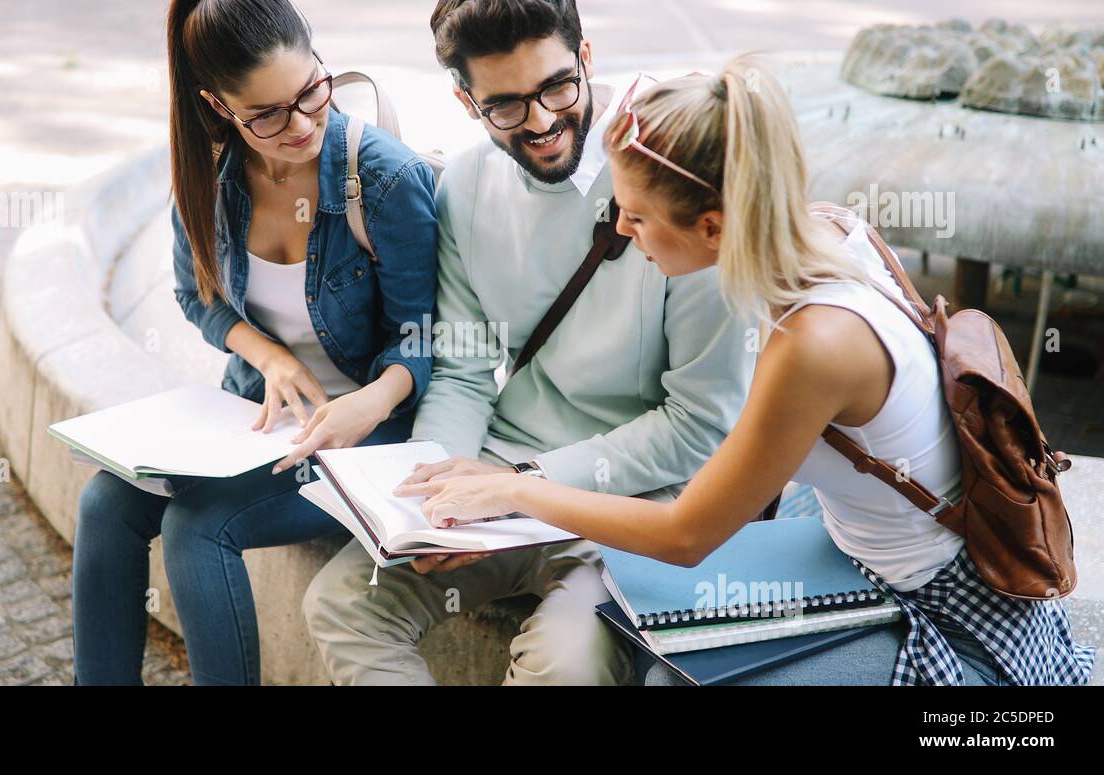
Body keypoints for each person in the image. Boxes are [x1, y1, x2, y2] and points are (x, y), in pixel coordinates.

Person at [398, 56, 1097, 686]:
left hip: (948, 613)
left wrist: (517, 490)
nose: (620, 231)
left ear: (710, 225)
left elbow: (684, 535)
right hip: (862, 540)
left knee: (672, 672)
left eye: (635, 217)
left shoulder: (815, 342)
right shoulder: (824, 230)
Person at [301, 0, 754, 686]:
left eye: (557, 88)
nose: (541, 121)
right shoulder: (466, 185)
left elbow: (699, 425)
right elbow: (461, 368)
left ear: (588, 57)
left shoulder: (677, 186)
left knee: (565, 666)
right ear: (466, 102)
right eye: (506, 106)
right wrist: (443, 505)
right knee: (341, 606)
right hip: (501, 475)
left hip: (636, 506)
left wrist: (525, 488)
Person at [71, 0, 438, 685]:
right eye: (267, 115)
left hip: (371, 432)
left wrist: (369, 401)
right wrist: (268, 356)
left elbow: (424, 330)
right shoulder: (207, 174)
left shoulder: (382, 177)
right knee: (104, 504)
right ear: (217, 105)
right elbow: (198, 295)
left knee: (196, 529)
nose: (301, 125)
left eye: (310, 93)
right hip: (256, 421)